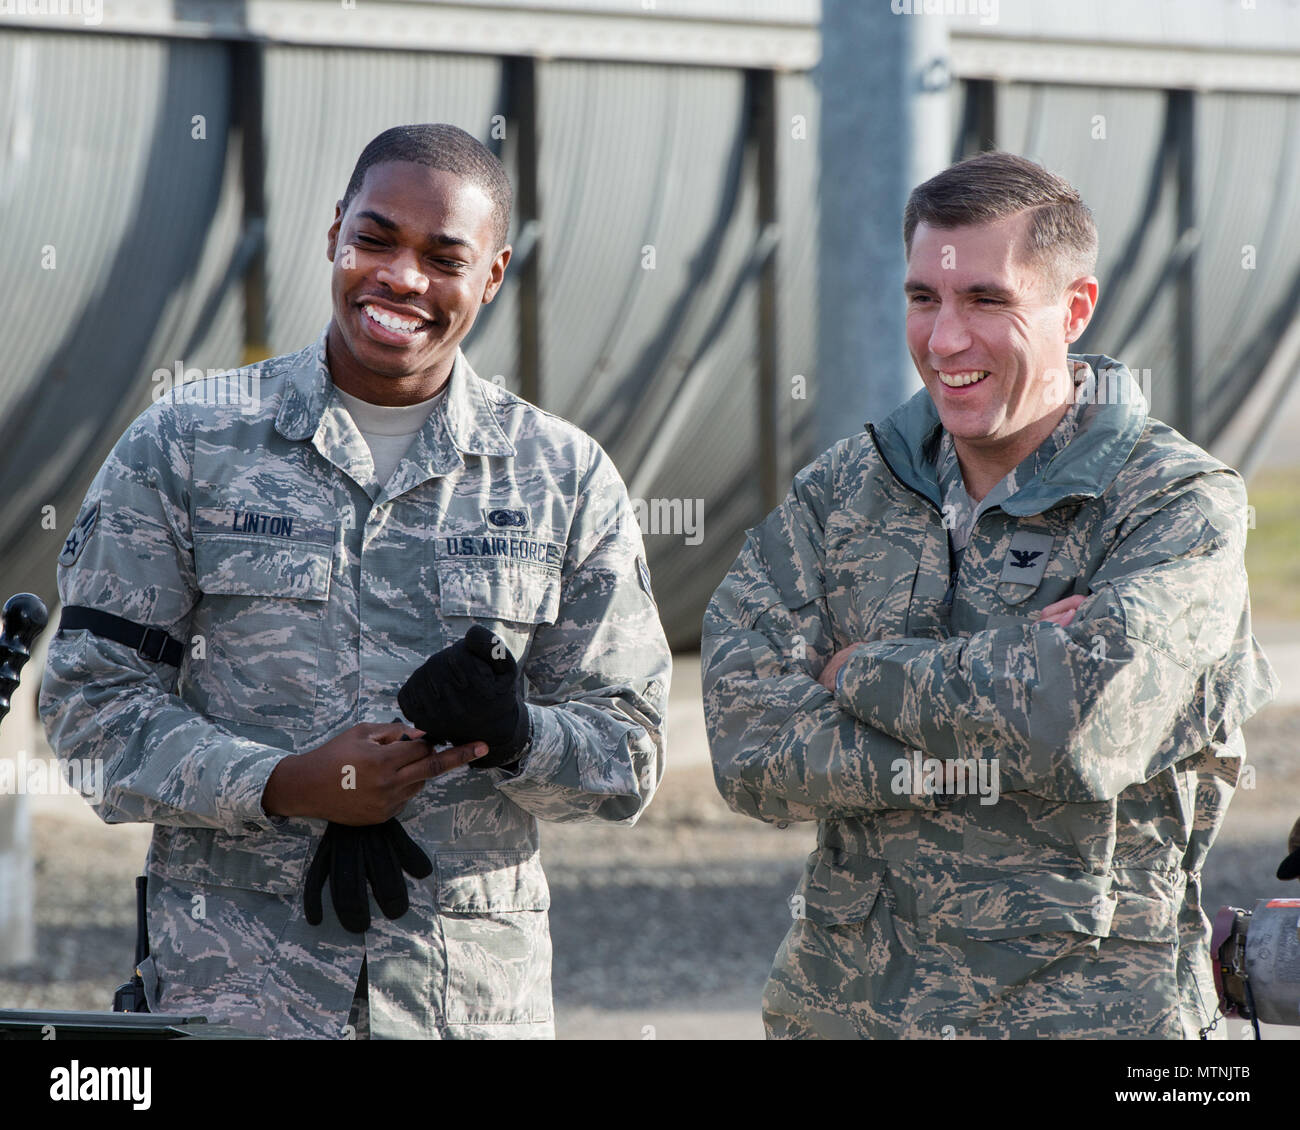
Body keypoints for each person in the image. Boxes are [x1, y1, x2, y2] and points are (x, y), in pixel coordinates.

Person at [39, 123, 670, 1039]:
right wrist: (285, 782)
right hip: (235, 997)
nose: (401, 279)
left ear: (491, 276)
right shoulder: (188, 445)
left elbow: (632, 753)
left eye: (442, 257)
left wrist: (522, 735)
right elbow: (88, 708)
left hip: (463, 1006)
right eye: (375, 238)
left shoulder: (561, 477)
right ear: (335, 231)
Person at [701, 150, 1277, 1039]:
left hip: (1100, 1018)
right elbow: (747, 749)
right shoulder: (845, 489)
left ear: (1073, 309)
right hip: (849, 1011)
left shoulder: (1174, 501)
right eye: (924, 299)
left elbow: (1080, 722)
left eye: (987, 300)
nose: (944, 340)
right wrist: (996, 709)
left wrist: (852, 671)